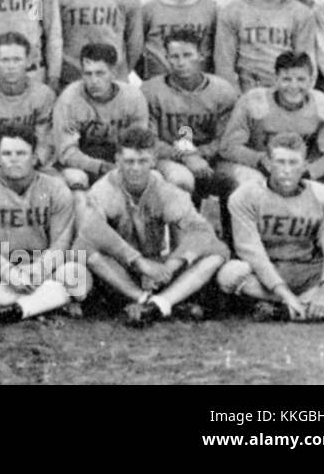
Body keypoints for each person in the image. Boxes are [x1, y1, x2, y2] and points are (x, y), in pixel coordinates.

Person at [217, 133, 324, 321]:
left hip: (309, 269)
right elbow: (251, 251)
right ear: (268, 164)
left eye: (293, 163)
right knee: (230, 274)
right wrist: (283, 292)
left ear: (304, 165)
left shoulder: (321, 195)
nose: (286, 170)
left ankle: (288, 310)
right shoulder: (246, 195)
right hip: (268, 269)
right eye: (280, 162)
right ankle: (311, 307)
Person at [79, 128, 227, 326]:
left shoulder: (164, 189)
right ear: (117, 160)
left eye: (142, 161)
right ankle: (141, 298)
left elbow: (201, 231)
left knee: (217, 252)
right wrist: (138, 261)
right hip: (121, 269)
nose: (136, 168)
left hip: (158, 265)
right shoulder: (104, 189)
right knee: (83, 249)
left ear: (153, 161)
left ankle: (161, 302)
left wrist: (171, 265)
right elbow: (89, 232)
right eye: (129, 161)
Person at [0, 124, 89, 324]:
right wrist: (10, 274)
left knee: (78, 275)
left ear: (34, 158)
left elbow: (61, 244)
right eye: (6, 153)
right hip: (1, 273)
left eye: (21, 153)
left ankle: (11, 308)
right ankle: (42, 304)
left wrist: (38, 271)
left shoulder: (56, 189)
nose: (13, 159)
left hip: (45, 269)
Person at [219, 51, 324, 222]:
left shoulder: (322, 105)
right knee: (246, 182)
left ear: (311, 81)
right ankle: (237, 242)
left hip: (301, 169)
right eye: (286, 79)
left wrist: (308, 171)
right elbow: (228, 146)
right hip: (259, 167)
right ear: (275, 79)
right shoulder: (253, 101)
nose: (293, 86)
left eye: (301, 80)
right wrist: (259, 159)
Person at [139, 29, 238, 203]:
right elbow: (149, 140)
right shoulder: (150, 91)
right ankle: (185, 230)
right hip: (169, 158)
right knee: (180, 179)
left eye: (187, 55)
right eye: (175, 56)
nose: (181, 62)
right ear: (166, 58)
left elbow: (227, 139)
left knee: (244, 181)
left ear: (201, 55)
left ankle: (230, 230)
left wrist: (200, 154)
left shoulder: (223, 91)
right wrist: (185, 156)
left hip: (212, 160)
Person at [215, 0, 315, 92]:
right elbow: (224, 66)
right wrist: (240, 100)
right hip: (245, 92)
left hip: (285, 93)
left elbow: (305, 64)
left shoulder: (303, 13)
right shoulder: (232, 12)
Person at [54, 42, 150, 191]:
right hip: (82, 163)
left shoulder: (133, 98)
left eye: (100, 73)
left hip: (120, 160)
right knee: (76, 179)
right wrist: (100, 167)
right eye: (88, 74)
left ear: (113, 73)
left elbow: (140, 143)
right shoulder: (69, 99)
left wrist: (124, 165)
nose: (94, 81)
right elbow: (66, 152)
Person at [0, 31, 57, 182]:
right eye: (5, 60)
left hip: (32, 163)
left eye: (17, 59)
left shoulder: (43, 95)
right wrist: (8, 163)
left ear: (28, 61)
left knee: (57, 183)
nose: (11, 66)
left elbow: (45, 143)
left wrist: (32, 161)